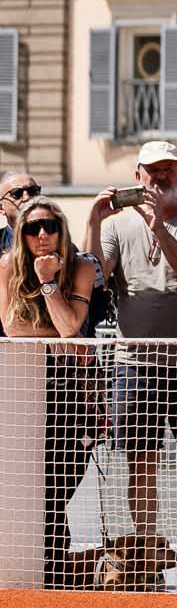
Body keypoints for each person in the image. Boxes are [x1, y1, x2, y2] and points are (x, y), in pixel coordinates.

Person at [84, 140, 177, 583]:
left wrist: (158, 226)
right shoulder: (116, 225)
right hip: (135, 361)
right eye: (152, 171)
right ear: (137, 177)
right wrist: (93, 220)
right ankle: (148, 557)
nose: (160, 178)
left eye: (169, 170)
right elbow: (95, 277)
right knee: (141, 460)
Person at [5, 197, 100, 588]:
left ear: (61, 232)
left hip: (68, 388)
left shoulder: (81, 267)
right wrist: (64, 337)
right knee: (31, 483)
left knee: (64, 478)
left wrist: (47, 284)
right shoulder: (6, 269)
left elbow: (69, 326)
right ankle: (47, 570)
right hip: (23, 386)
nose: (41, 236)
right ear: (21, 236)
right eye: (32, 228)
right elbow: (12, 329)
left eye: (49, 227)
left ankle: (52, 568)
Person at [1, 169, 42, 255]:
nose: (27, 198)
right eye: (17, 193)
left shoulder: (58, 242)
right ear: (1, 208)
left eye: (33, 191)